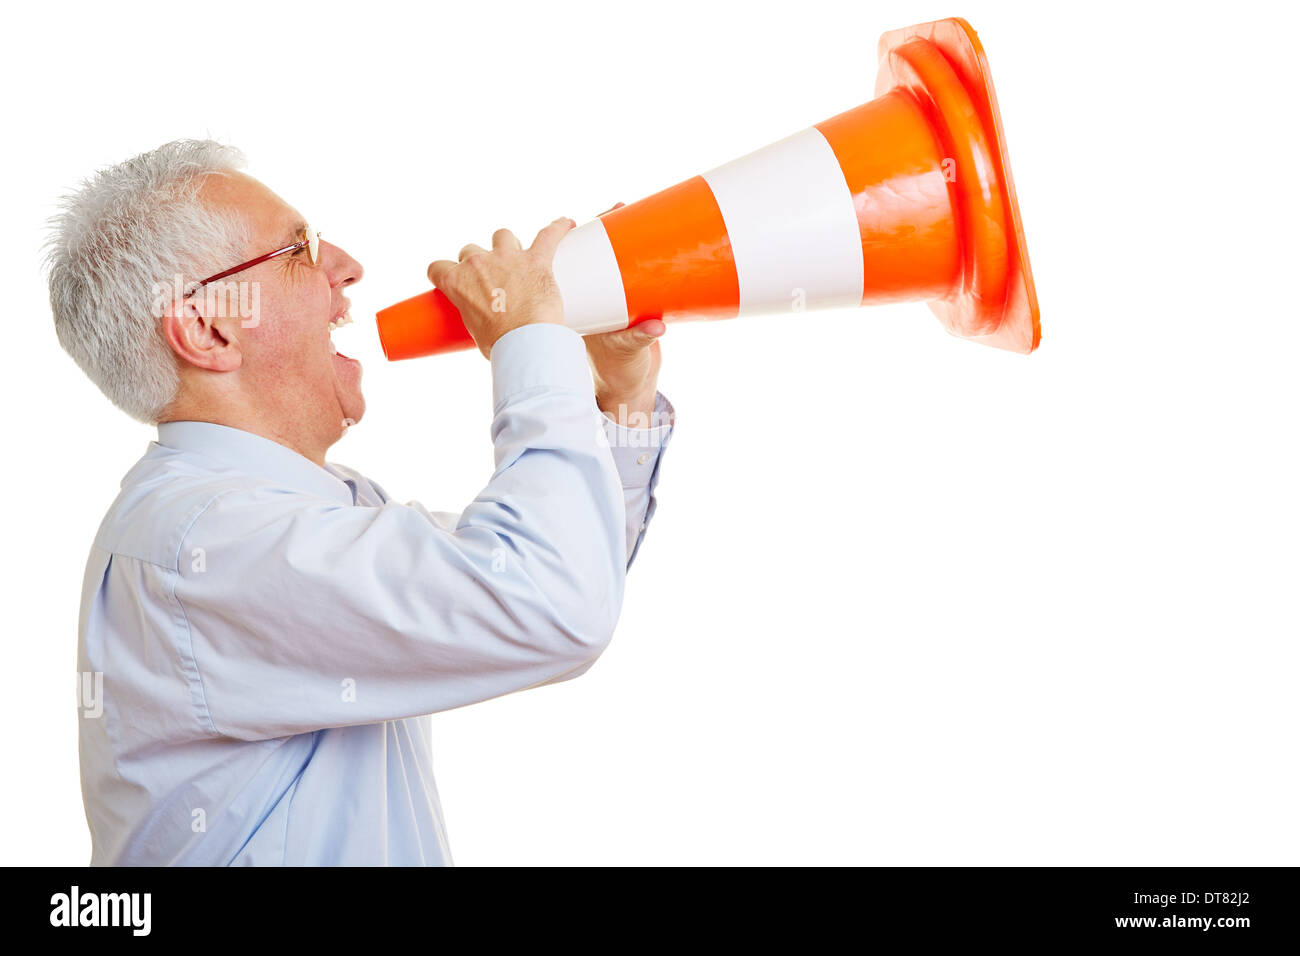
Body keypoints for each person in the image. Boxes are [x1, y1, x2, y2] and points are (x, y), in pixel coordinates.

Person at [47, 139, 674, 865]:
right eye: (298, 248)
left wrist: (618, 398)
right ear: (208, 328)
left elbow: (564, 565)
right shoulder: (211, 544)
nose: (345, 265)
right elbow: (551, 601)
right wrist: (531, 339)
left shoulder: (302, 509)